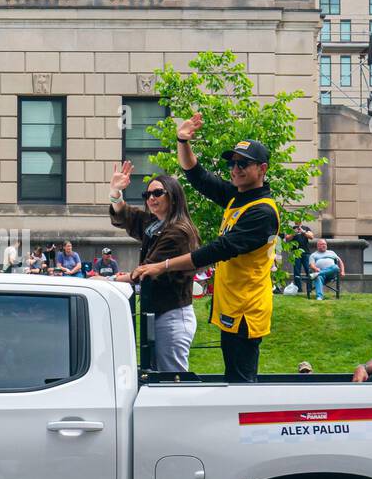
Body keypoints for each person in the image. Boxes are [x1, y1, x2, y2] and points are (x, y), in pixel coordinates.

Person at [135, 119, 279, 383]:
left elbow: (218, 250)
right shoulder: (237, 197)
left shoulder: (262, 211)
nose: (235, 169)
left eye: (243, 164)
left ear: (262, 169)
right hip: (231, 306)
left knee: (241, 382)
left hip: (247, 310)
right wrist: (183, 141)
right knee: (233, 378)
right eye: (232, 164)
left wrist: (162, 265)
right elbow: (198, 176)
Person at [109, 164, 200, 372]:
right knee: (160, 378)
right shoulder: (156, 224)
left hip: (172, 316)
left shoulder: (178, 232)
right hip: (160, 312)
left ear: (173, 196)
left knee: (172, 381)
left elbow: (147, 271)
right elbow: (125, 215)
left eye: (158, 193)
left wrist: (109, 281)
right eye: (147, 193)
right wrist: (115, 192)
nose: (151, 198)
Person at [285, 224, 315, 289]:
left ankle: (309, 289)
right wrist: (294, 233)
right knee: (296, 271)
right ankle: (299, 289)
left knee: (308, 270)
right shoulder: (291, 228)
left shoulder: (306, 228)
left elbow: (311, 237)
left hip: (306, 252)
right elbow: (287, 239)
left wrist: (303, 232)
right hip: (295, 253)